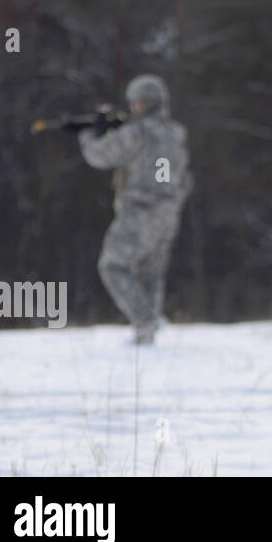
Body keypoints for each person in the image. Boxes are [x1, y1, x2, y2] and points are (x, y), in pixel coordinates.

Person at [80, 74, 191, 345]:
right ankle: (147, 333)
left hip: (140, 211)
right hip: (169, 212)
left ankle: (145, 321)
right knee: (150, 273)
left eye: (135, 103)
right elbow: (183, 177)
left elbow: (100, 155)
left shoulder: (138, 132)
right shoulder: (176, 134)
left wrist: (89, 136)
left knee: (112, 266)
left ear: (142, 103)